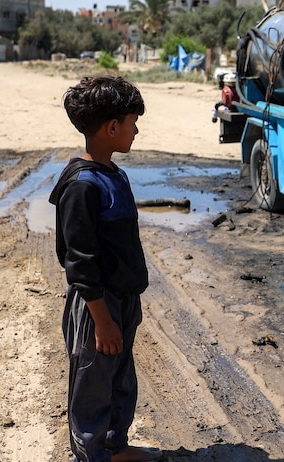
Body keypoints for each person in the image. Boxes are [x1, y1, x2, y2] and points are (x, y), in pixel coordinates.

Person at [47, 76, 162, 462]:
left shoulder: (113, 174)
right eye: (132, 122)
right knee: (93, 383)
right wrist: (102, 321)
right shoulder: (83, 184)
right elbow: (80, 261)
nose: (136, 130)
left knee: (119, 378)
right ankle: (91, 455)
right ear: (112, 127)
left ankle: (114, 448)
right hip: (97, 304)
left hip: (122, 299)